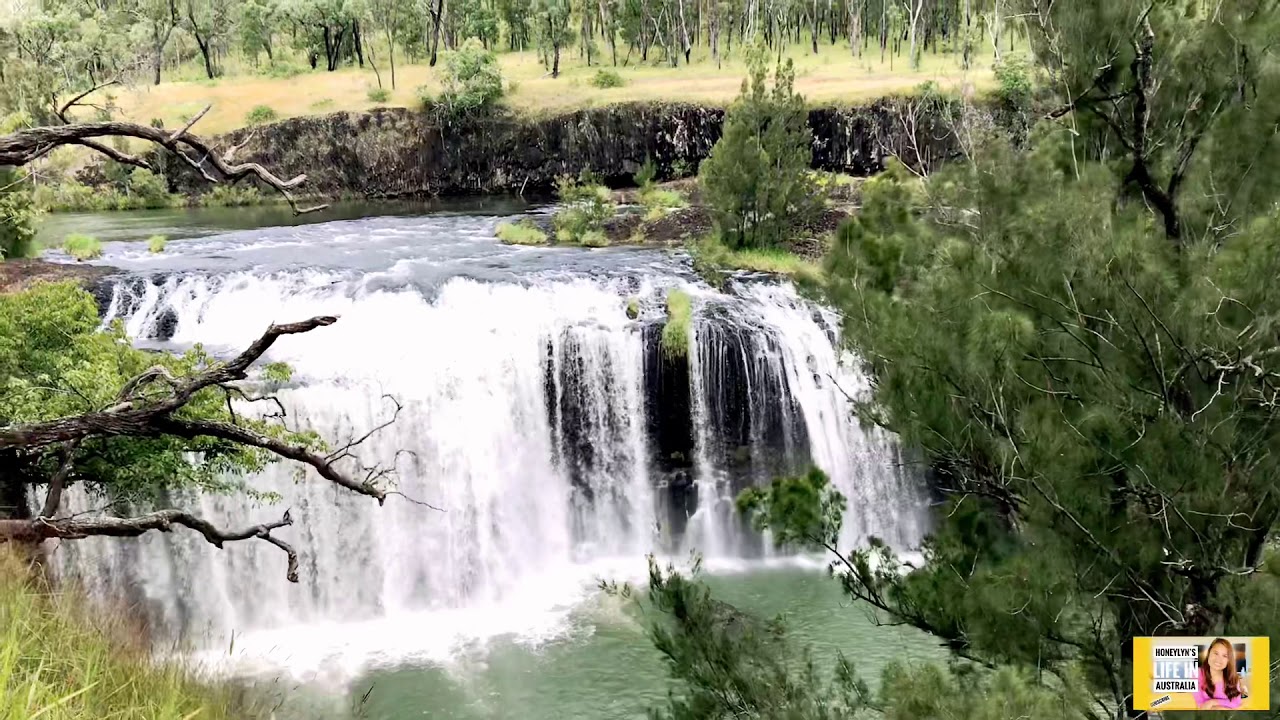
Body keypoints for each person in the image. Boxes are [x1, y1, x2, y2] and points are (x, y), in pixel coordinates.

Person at [1195, 638, 1248, 710]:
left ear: (1228, 660)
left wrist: (1213, 702)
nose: (1218, 659)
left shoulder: (1232, 677)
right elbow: (1201, 705)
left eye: (1224, 656)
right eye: (1216, 653)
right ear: (1209, 653)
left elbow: (1236, 703)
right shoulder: (1196, 674)